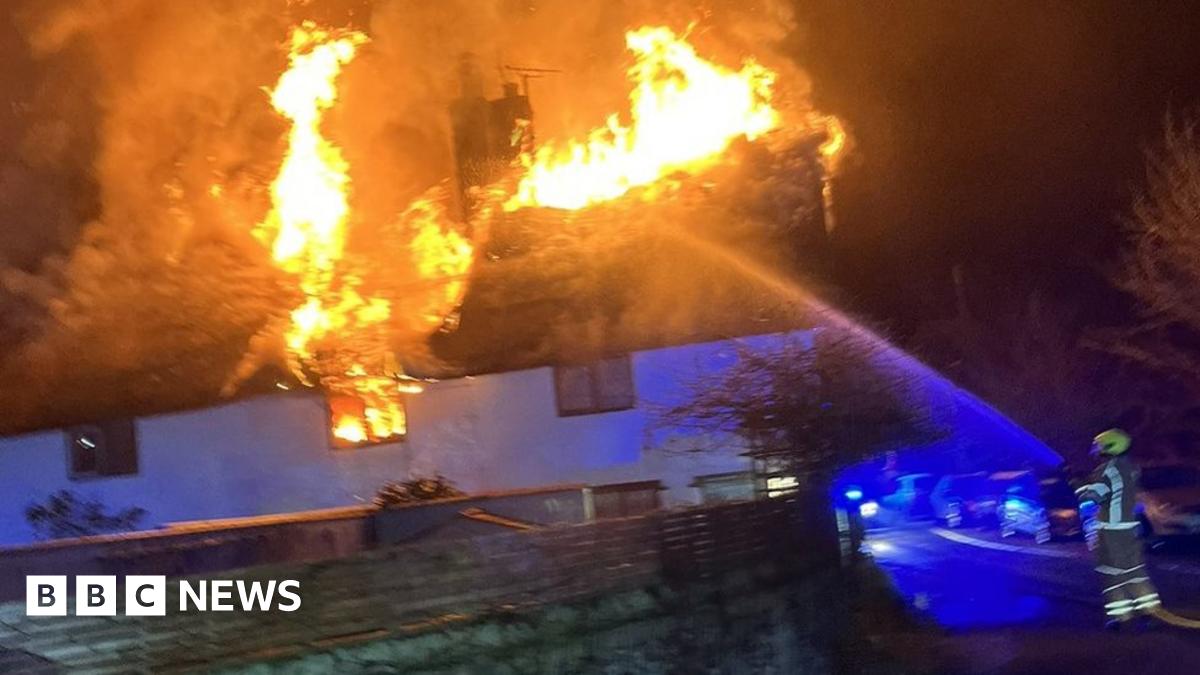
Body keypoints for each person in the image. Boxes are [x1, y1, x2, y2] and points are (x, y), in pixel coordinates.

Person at [1075, 428, 1161, 629]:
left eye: (1098, 446)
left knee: (1112, 574)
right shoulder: (1131, 468)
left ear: (1110, 446)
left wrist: (1078, 486)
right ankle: (1149, 612)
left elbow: (1093, 496)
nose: (1096, 450)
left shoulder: (1106, 471)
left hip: (1112, 530)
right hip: (1130, 527)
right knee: (1134, 571)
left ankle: (1121, 617)